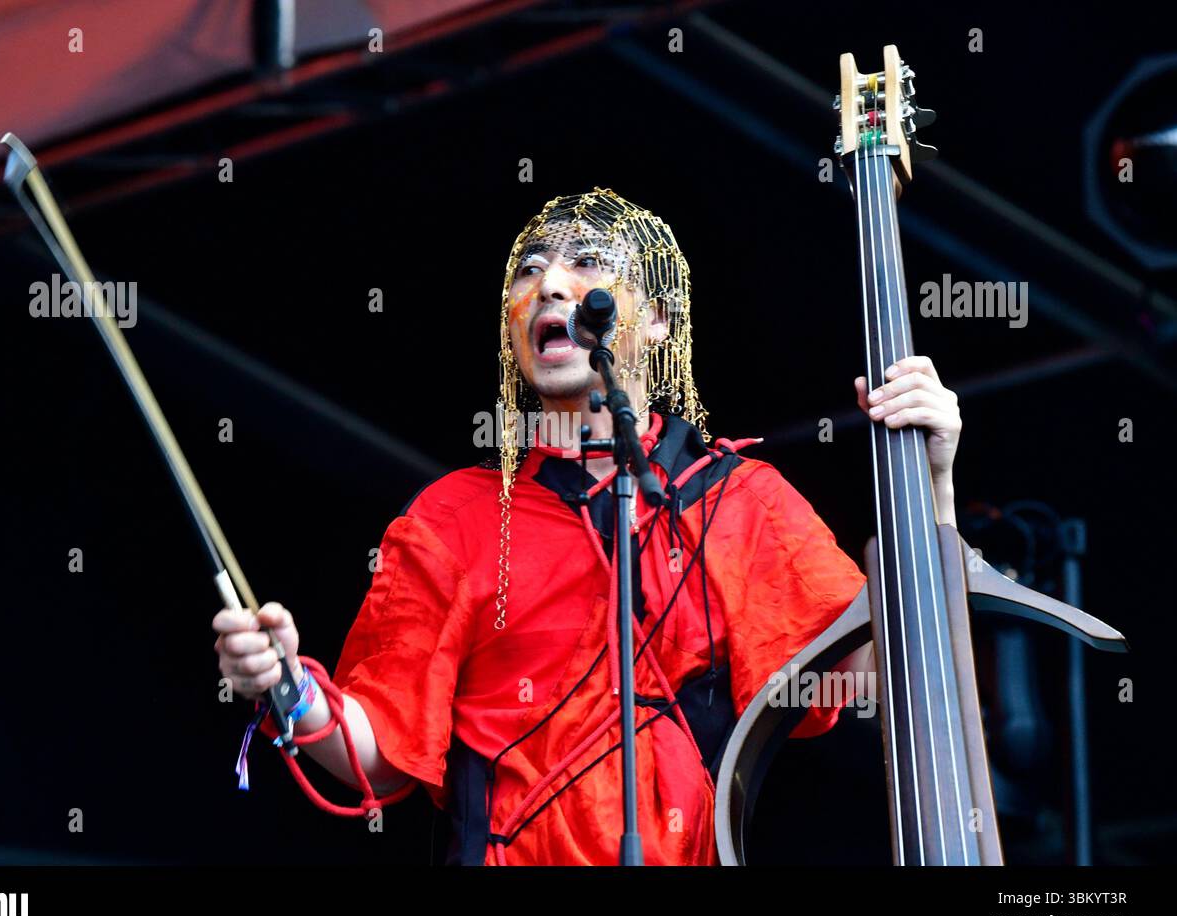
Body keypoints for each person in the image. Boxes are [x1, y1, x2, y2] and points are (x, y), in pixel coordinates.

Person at [213, 187, 963, 865]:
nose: (551, 283)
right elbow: (377, 749)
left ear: (659, 317)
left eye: (589, 263)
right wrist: (284, 684)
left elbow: (877, 683)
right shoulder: (455, 518)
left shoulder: (741, 504)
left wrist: (930, 487)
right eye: (530, 270)